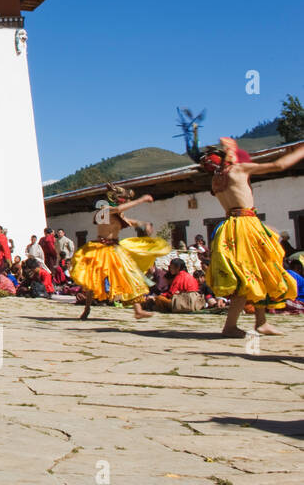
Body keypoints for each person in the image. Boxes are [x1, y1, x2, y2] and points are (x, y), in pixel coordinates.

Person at [178, 111, 304, 336]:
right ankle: (231, 326)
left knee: (256, 273)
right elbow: (278, 165)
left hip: (230, 226)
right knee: (250, 275)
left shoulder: (217, 179)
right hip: (247, 225)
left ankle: (260, 321)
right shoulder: (238, 169)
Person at [69, 183, 169, 320]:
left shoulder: (117, 214)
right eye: (125, 200)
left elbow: (129, 220)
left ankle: (138, 310)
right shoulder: (105, 210)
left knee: (129, 275)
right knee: (94, 281)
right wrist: (141, 200)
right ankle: (86, 309)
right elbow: (119, 209)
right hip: (101, 250)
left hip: (115, 249)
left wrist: (143, 224)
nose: (126, 202)